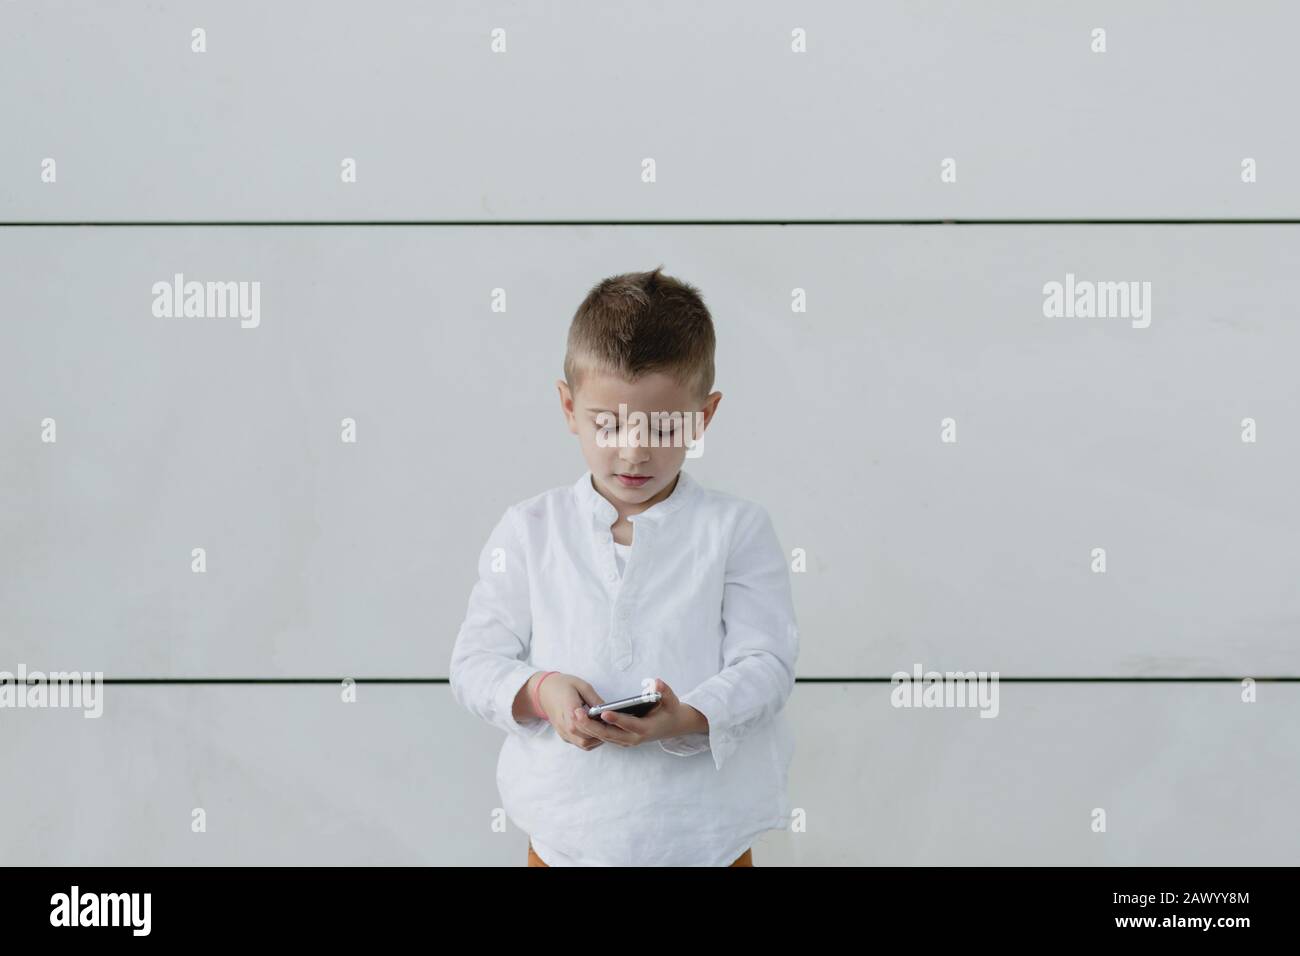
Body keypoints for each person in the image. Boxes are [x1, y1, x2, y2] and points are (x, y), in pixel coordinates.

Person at [449, 265, 798, 866]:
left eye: (662, 426)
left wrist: (686, 716)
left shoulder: (736, 531)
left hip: (707, 840)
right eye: (607, 423)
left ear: (705, 416)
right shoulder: (529, 530)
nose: (633, 450)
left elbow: (765, 665)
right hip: (564, 842)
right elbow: (474, 663)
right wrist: (540, 690)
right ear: (568, 405)